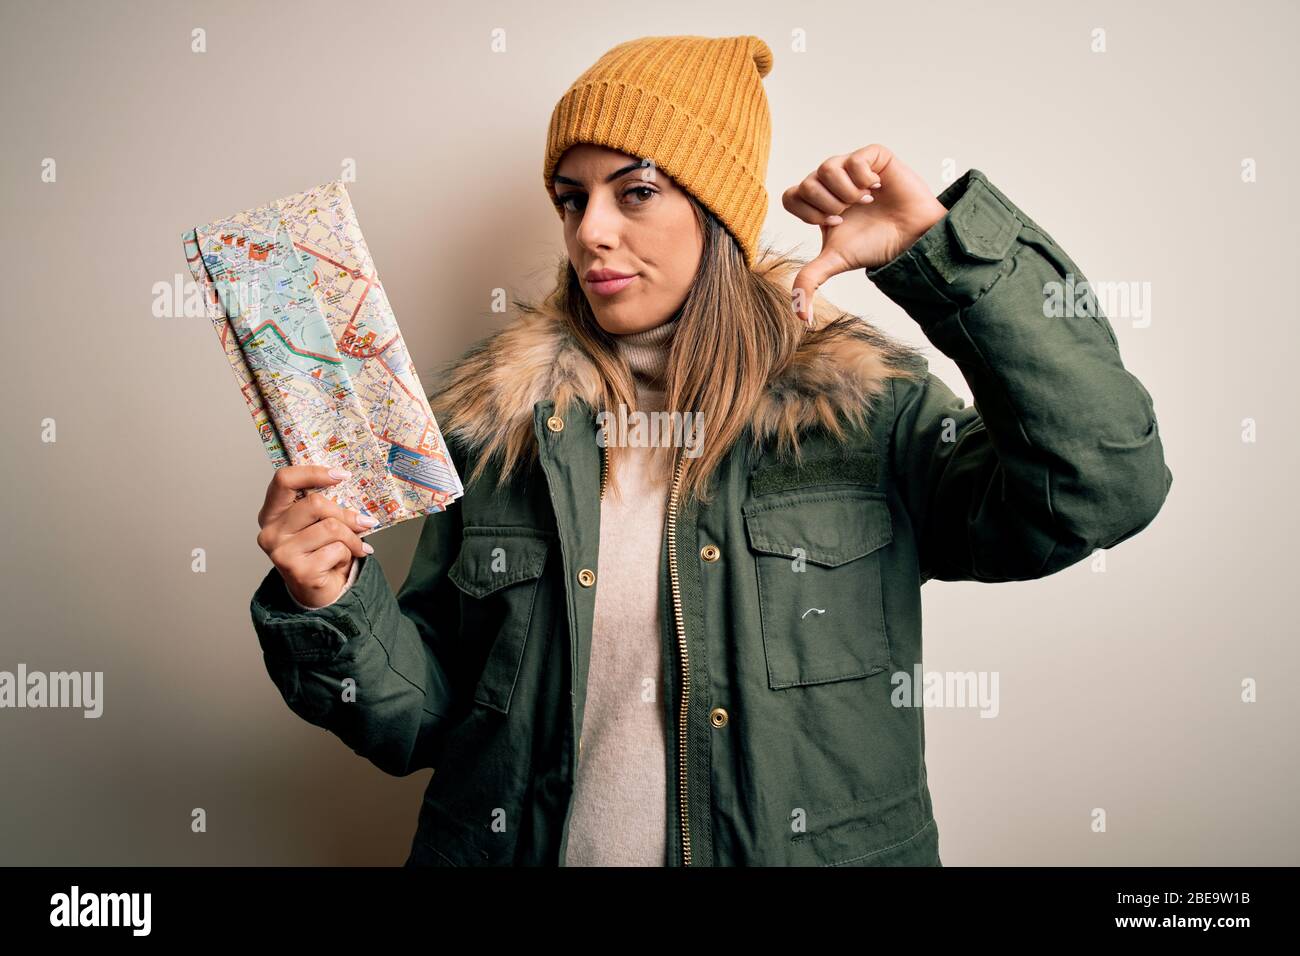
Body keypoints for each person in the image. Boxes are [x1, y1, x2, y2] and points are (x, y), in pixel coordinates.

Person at [248, 34, 1172, 866]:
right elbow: (421, 724)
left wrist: (937, 252)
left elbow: (1103, 482)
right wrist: (331, 600)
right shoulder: (495, 427)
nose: (590, 232)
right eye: (571, 200)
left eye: (636, 190)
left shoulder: (863, 413)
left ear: (719, 210)